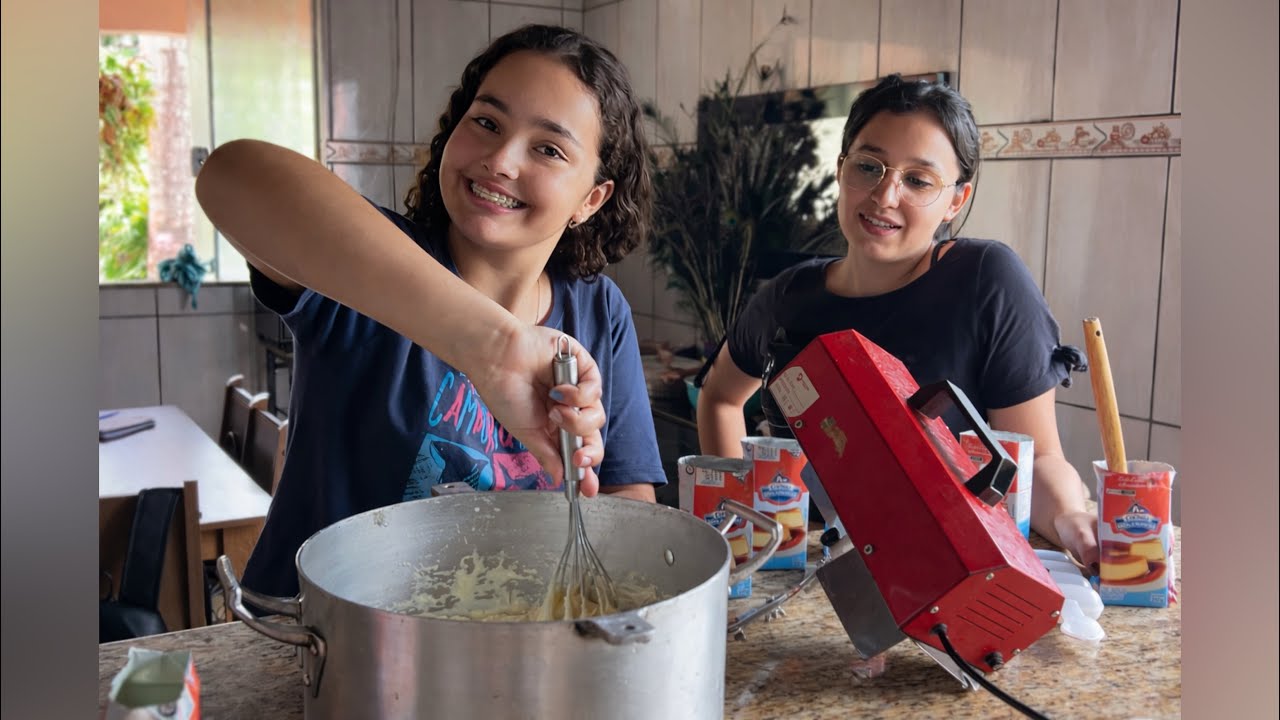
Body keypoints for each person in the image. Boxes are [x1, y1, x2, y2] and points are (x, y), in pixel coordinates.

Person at [195, 24, 666, 598]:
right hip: (317, 644)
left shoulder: (599, 309)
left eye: (547, 148)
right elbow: (230, 175)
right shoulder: (369, 263)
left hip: (502, 648)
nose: (500, 159)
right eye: (486, 122)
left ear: (591, 199)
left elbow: (630, 502)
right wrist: (495, 347)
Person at [695, 74, 1099, 570]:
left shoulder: (984, 283)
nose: (885, 196)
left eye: (917, 180)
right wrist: (743, 523)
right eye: (869, 166)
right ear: (841, 169)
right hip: (800, 581)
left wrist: (1073, 521)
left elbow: (1033, 461)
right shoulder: (787, 297)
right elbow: (719, 397)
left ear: (956, 200)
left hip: (935, 578)